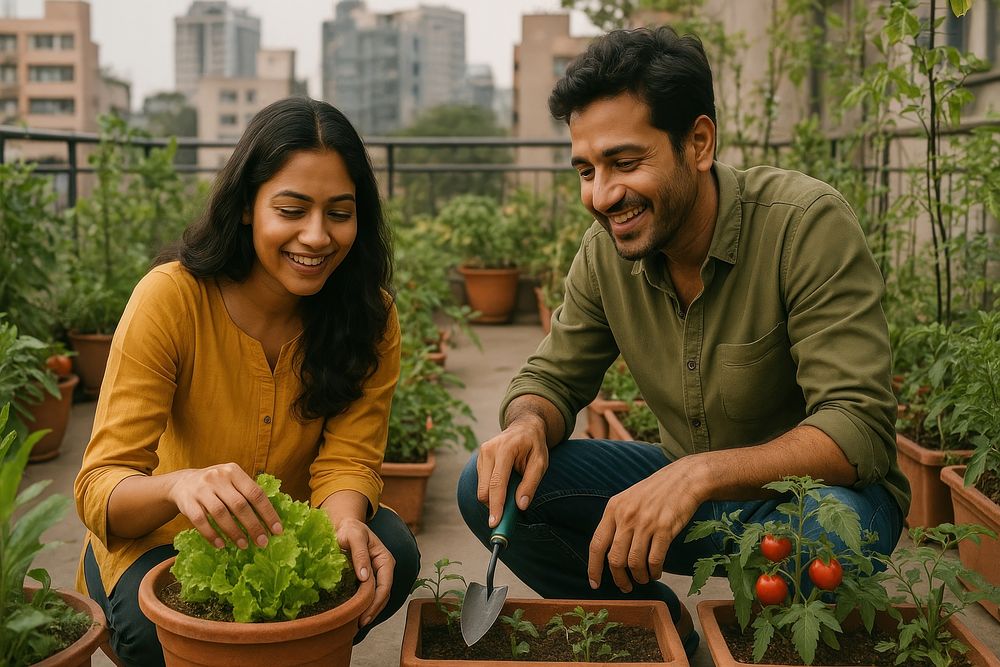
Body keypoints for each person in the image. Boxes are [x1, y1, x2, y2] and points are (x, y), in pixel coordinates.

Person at [457, 26, 909, 656]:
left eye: (625, 162)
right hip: (684, 497)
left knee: (831, 535)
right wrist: (528, 423)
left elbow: (858, 425)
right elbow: (551, 380)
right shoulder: (607, 252)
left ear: (698, 142)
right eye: (586, 170)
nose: (601, 195)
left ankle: (763, 644)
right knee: (491, 485)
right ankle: (663, 628)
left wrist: (699, 474)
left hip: (811, 502)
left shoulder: (805, 225)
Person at [74, 97, 419, 666]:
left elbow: (347, 461)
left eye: (339, 212)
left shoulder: (369, 315)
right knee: (152, 633)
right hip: (162, 541)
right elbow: (99, 487)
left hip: (285, 534)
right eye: (291, 209)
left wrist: (344, 526)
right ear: (245, 208)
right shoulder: (172, 298)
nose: (317, 236)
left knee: (388, 555)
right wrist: (177, 485)